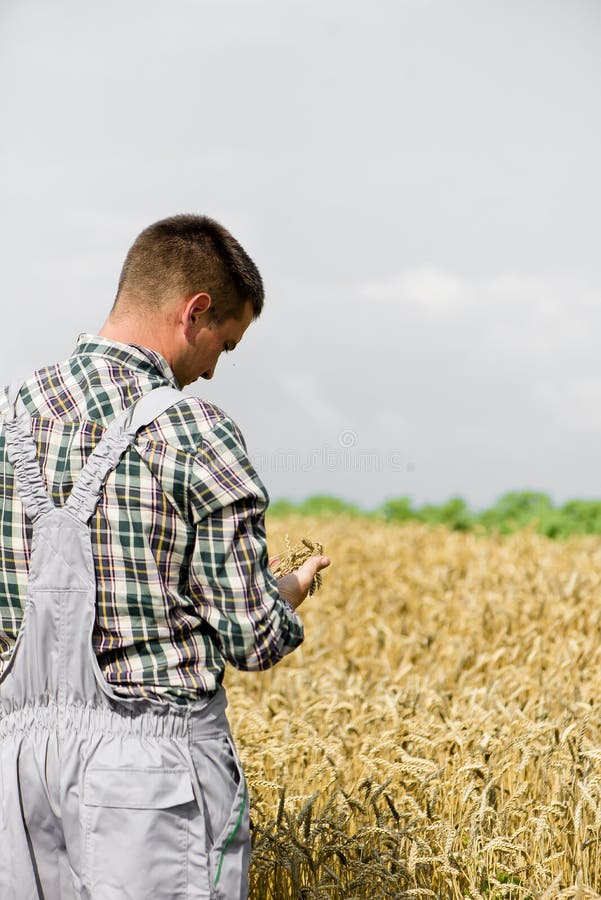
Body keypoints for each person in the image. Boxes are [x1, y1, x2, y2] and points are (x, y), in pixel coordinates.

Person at [0, 214, 330, 899]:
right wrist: (286, 593)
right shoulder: (193, 433)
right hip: (148, 780)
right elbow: (253, 637)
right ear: (195, 311)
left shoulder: (9, 414)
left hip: (14, 768)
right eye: (224, 345)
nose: (210, 371)